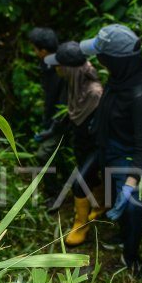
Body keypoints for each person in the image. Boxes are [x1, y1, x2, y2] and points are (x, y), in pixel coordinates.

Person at [78, 24, 142, 278]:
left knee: (132, 204)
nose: (98, 59)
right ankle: (120, 235)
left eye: (102, 55)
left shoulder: (139, 95)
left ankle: (132, 256)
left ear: (114, 60)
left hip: (126, 157)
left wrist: (131, 182)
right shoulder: (120, 77)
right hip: (107, 149)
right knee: (112, 196)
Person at [44, 41, 105, 246]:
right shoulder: (73, 83)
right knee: (91, 178)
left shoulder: (95, 92)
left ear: (69, 68)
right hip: (81, 143)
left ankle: (81, 226)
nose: (56, 68)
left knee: (79, 183)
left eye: (59, 65)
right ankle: (102, 205)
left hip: (97, 146)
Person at [26, 27, 68, 209]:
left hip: (64, 121)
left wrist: (52, 128)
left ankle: (56, 195)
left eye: (35, 49)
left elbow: (64, 102)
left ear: (43, 50)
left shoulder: (61, 68)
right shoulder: (47, 64)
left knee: (44, 155)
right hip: (53, 119)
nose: (34, 53)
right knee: (58, 155)